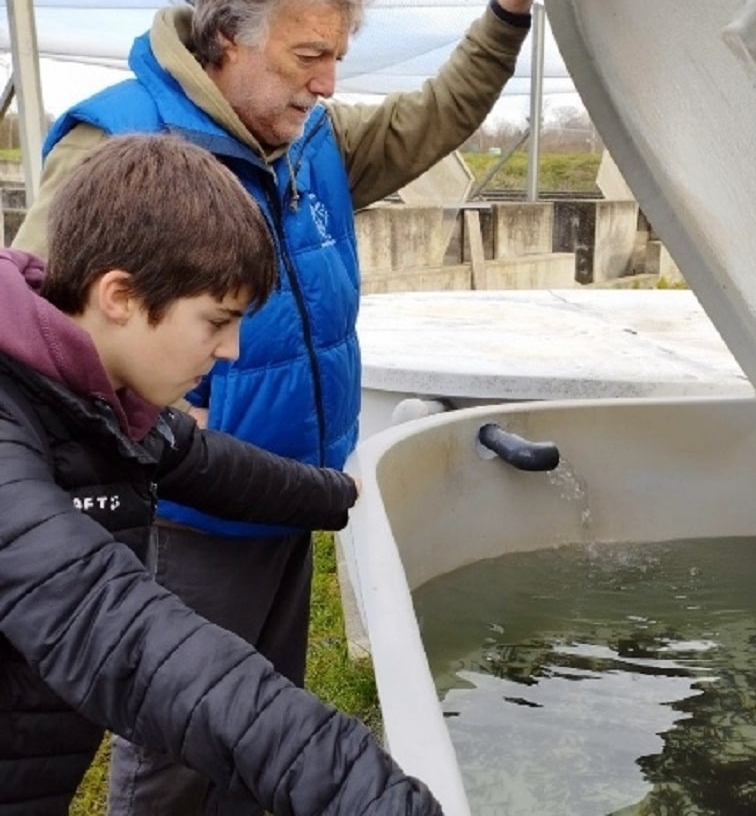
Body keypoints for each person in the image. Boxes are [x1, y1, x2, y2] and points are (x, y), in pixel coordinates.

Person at [12, 0, 581, 814]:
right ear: (227, 37)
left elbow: (432, 116)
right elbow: (40, 332)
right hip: (184, 515)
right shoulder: (119, 145)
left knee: (257, 723)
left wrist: (509, 10)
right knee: (181, 727)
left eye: (338, 58)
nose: (327, 83)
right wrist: (145, 422)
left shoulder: (310, 138)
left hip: (280, 493)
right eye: (308, 55)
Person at [0, 133, 443, 815]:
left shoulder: (96, 397)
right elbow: (111, 625)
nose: (231, 349)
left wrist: (346, 495)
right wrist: (365, 791)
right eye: (217, 320)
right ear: (118, 295)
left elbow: (205, 462)